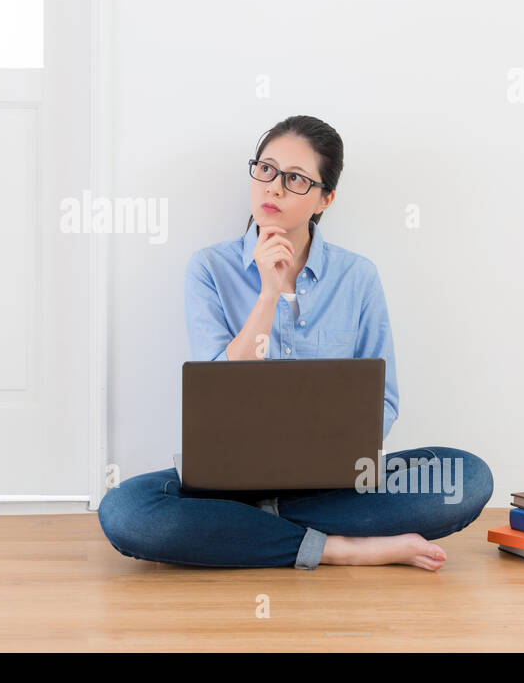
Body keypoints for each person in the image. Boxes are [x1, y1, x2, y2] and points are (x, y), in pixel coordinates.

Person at [98, 115, 493, 571]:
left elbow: (382, 400)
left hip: (334, 485)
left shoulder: (357, 276)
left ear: (325, 198)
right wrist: (268, 294)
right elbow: (216, 392)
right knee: (126, 511)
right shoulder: (209, 268)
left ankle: (244, 528)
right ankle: (338, 548)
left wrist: (335, 458)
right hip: (226, 483)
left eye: (296, 179)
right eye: (266, 169)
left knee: (464, 477)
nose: (274, 188)